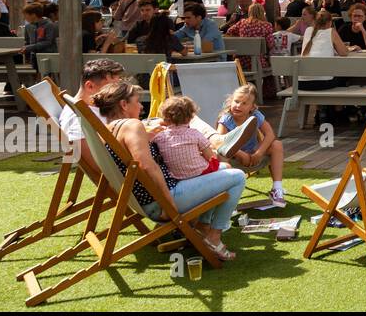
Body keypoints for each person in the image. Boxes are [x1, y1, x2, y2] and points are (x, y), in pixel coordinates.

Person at [93, 80, 245, 260]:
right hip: (163, 201)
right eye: (137, 101)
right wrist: (169, 205)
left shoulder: (108, 129)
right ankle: (213, 235)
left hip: (145, 201)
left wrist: (148, 136)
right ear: (124, 105)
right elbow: (147, 166)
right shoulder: (132, 126)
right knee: (237, 177)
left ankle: (203, 227)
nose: (141, 106)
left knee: (221, 169)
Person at [216, 84, 286, 206]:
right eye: (236, 101)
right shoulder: (226, 119)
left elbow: (270, 134)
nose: (238, 106)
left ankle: (277, 189)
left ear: (252, 107)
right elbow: (220, 142)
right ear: (231, 101)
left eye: (244, 103)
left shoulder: (255, 115)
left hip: (253, 155)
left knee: (277, 145)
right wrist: (241, 155)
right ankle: (230, 198)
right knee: (218, 154)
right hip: (232, 158)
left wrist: (258, 153)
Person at [56, 57, 123, 181]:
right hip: (125, 173)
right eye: (112, 87)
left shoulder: (93, 108)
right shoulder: (76, 118)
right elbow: (99, 166)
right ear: (90, 86)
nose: (116, 92)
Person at [152, 96, 221, 179]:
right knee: (224, 164)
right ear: (190, 118)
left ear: (165, 118)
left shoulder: (159, 137)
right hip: (200, 173)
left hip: (177, 177)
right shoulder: (195, 133)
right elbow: (210, 157)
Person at [298, 10, 349, 93]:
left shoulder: (308, 31)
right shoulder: (331, 31)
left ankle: (320, 106)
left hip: (302, 83)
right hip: (323, 83)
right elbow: (344, 53)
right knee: (343, 79)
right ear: (330, 22)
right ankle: (335, 106)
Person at [224, 2, 274, 74]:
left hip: (240, 62)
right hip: (258, 62)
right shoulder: (266, 25)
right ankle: (268, 85)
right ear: (263, 12)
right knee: (273, 62)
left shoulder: (242, 22)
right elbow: (270, 44)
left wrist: (240, 37)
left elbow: (229, 32)